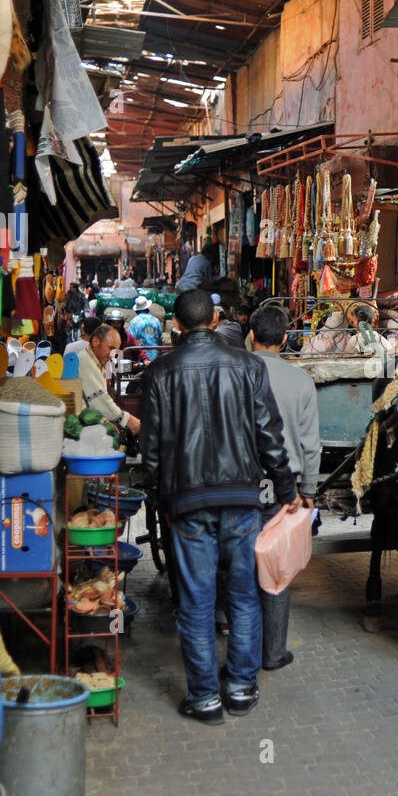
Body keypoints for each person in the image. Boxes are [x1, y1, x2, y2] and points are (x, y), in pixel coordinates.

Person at [139, 290, 299, 725]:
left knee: (196, 603)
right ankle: (242, 690)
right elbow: (271, 435)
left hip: (187, 503)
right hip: (242, 501)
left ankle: (205, 698)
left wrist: (158, 498)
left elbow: (150, 449)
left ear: (177, 324)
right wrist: (286, 489)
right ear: (215, 321)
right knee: (245, 597)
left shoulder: (158, 373)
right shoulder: (248, 367)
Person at [250, 306, 321, 671]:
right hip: (285, 490)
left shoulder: (238, 375)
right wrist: (308, 489)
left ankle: (242, 647)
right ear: (285, 340)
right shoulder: (301, 381)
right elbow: (311, 444)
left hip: (242, 486)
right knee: (276, 570)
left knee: (242, 566)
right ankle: (273, 652)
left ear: (252, 336)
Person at [78, 324, 140, 434]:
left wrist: (103, 420)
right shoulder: (83, 361)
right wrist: (129, 420)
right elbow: (99, 399)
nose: (113, 355)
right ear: (95, 342)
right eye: (111, 348)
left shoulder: (98, 362)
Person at [127, 295, 164, 360]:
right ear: (148, 309)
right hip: (155, 357)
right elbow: (160, 337)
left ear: (136, 311)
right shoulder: (155, 320)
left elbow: (130, 340)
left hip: (140, 357)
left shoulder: (133, 322)